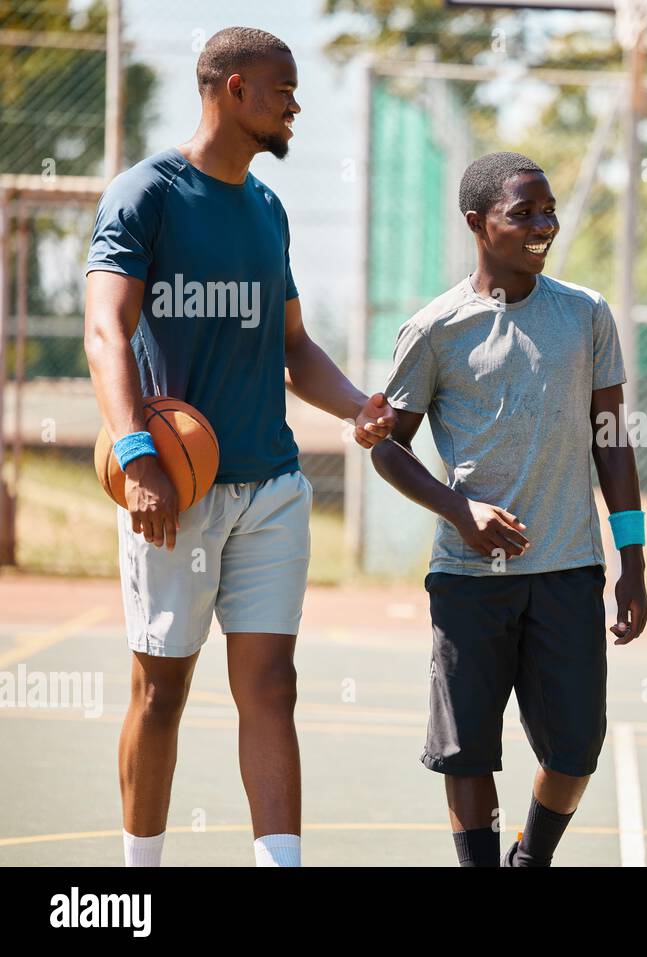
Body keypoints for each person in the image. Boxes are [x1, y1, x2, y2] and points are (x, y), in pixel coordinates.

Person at [84, 26, 394, 867]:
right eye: (282, 88)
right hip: (177, 489)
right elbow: (106, 332)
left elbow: (295, 348)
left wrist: (357, 404)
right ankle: (137, 880)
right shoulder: (145, 195)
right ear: (234, 91)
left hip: (271, 486)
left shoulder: (267, 208)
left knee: (271, 688)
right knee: (162, 691)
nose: (295, 103)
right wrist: (139, 452)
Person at [371, 151, 647, 867]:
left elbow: (612, 442)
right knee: (467, 754)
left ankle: (532, 856)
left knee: (576, 749)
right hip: (468, 577)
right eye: (522, 213)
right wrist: (461, 510)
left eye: (547, 210)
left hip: (568, 571)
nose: (542, 225)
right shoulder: (436, 329)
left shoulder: (586, 314)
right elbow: (389, 449)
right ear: (477, 222)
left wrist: (633, 557)